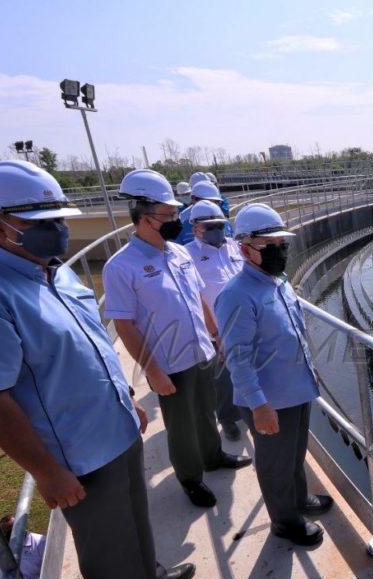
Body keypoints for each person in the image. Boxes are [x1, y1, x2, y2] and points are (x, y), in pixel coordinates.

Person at [0, 160, 191, 579]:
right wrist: (46, 472)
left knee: (136, 516)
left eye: (59, 219)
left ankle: (150, 576)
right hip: (75, 452)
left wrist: (127, 401)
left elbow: (91, 348)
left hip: (114, 427)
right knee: (106, 543)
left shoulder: (56, 274)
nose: (57, 230)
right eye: (41, 223)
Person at [103, 168, 250, 509]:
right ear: (143, 217)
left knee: (205, 412)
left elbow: (199, 298)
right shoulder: (121, 266)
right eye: (167, 215)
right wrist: (152, 371)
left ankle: (213, 456)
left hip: (202, 351)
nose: (174, 220)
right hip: (168, 363)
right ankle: (191, 478)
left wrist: (217, 336)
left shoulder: (179, 253)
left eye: (174, 214)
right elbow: (124, 325)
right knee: (181, 426)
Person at [215, 204, 332, 547]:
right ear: (245, 249)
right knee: (275, 462)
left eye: (282, 244)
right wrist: (259, 406)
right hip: (269, 400)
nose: (279, 251)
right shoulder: (237, 295)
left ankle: (298, 499)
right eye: (270, 245)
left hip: (295, 389)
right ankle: (285, 521)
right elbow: (237, 358)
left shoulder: (277, 282)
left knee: (294, 453)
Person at [184, 200, 244, 440]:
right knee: (223, 378)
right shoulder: (188, 255)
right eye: (209, 226)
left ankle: (251, 409)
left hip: (246, 320)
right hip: (217, 327)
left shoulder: (236, 247)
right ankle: (228, 419)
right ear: (196, 228)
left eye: (219, 225)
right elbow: (193, 296)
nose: (216, 230)